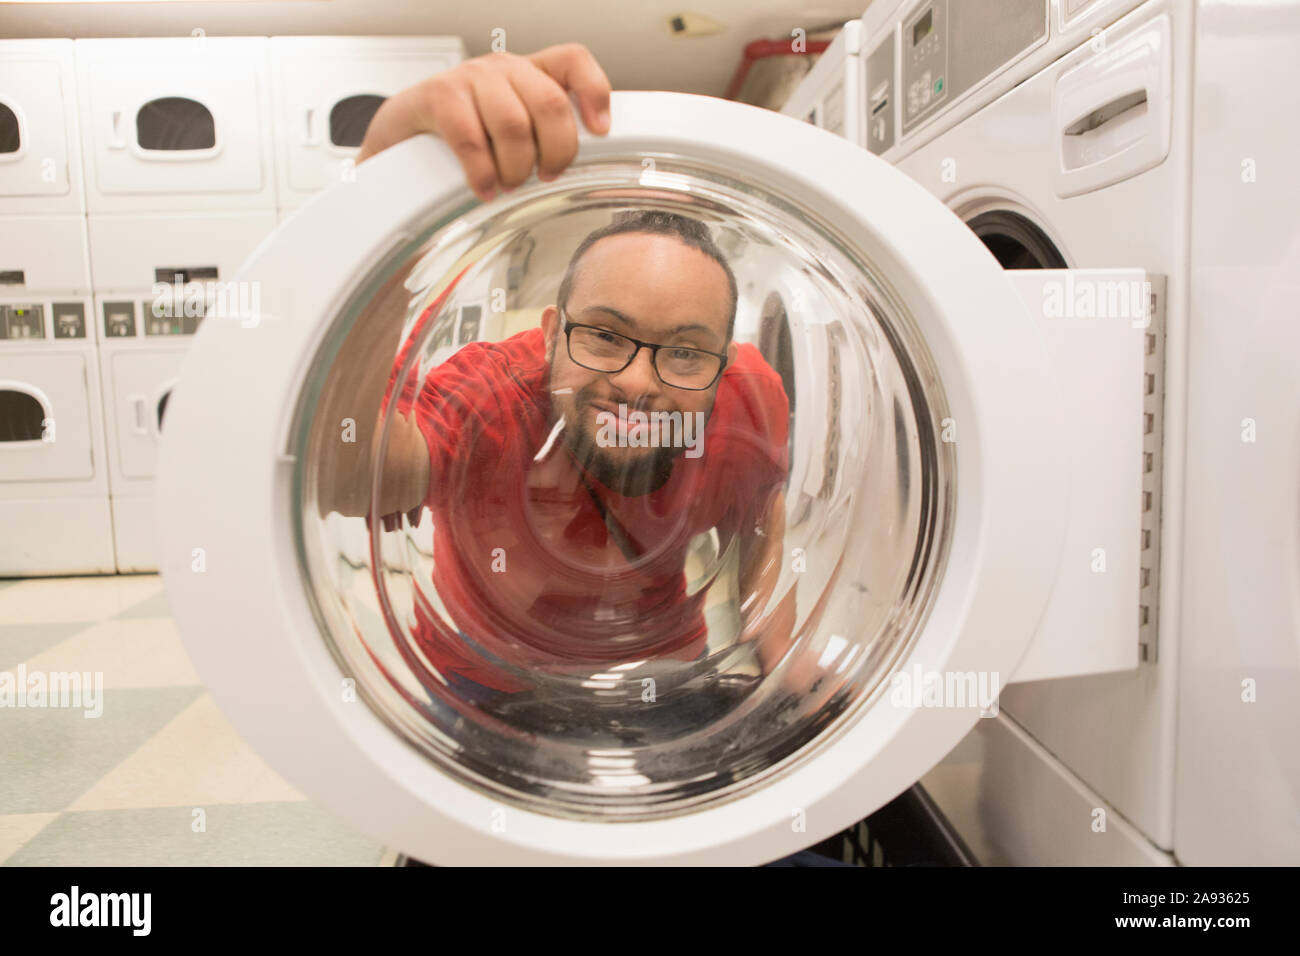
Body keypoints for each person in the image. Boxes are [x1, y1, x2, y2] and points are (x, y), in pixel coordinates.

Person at [328, 44, 797, 701]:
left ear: (723, 366)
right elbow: (349, 479)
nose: (637, 383)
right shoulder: (485, 399)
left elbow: (760, 518)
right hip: (489, 682)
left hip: (661, 676)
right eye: (604, 336)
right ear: (551, 336)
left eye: (686, 352)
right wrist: (381, 194)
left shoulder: (748, 399)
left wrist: (785, 661)